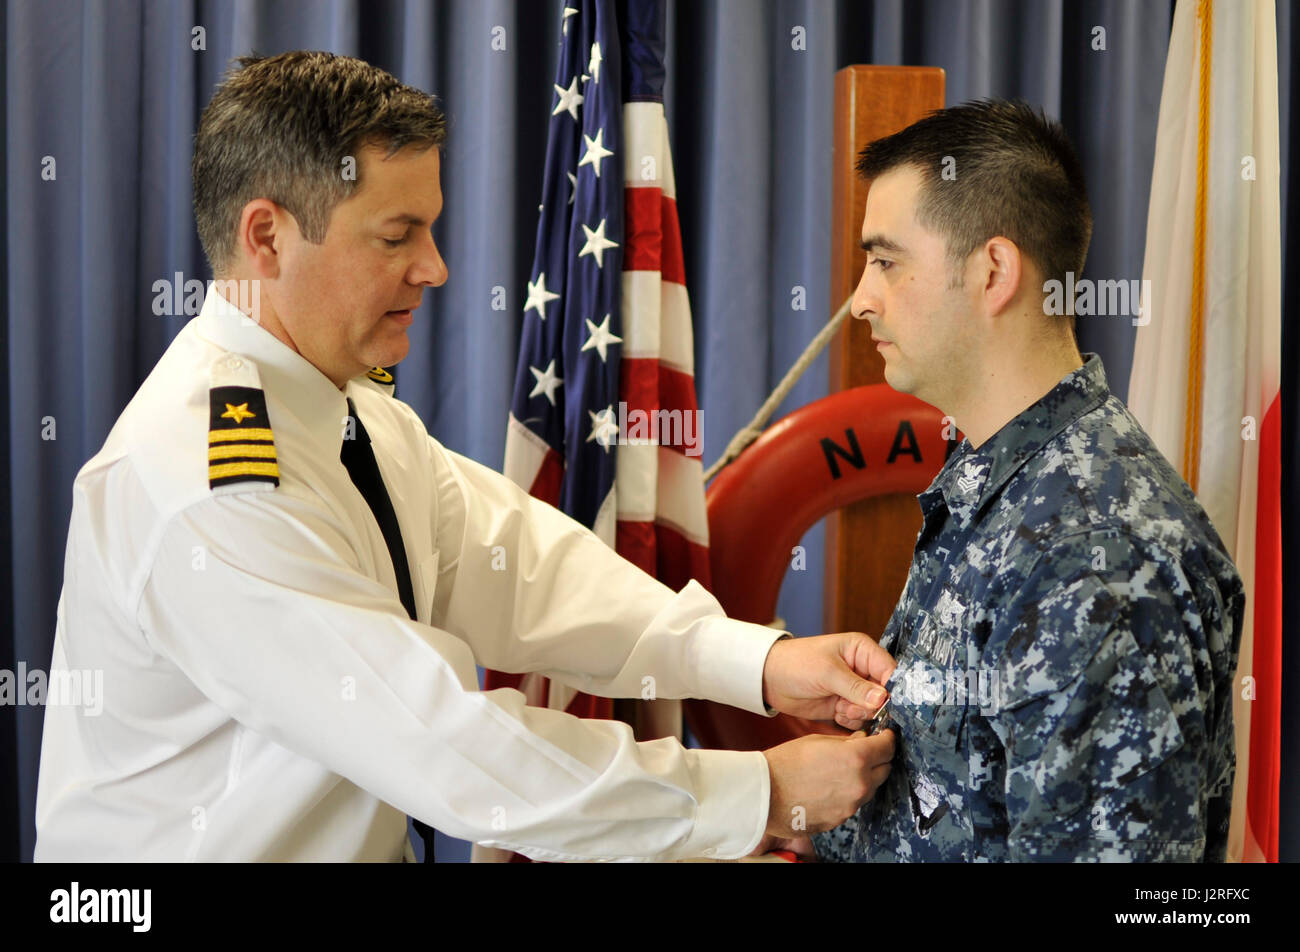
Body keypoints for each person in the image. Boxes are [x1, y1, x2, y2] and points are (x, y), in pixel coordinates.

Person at [33, 51, 897, 862]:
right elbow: (440, 740)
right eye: (396, 235)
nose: (437, 269)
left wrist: (761, 663)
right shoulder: (207, 479)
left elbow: (528, 573)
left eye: (432, 231)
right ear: (267, 237)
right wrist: (758, 791)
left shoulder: (351, 408)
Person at [811, 100, 1243, 863]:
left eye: (886, 261)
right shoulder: (1000, 477)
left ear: (994, 272)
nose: (861, 299)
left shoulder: (1097, 551)